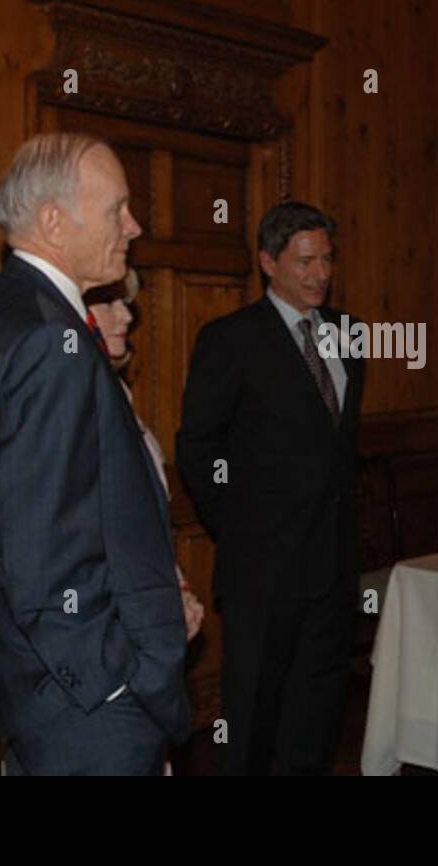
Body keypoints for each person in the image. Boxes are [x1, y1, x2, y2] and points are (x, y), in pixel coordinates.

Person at [0, 132, 189, 775]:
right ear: (55, 222)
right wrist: (118, 680)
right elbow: (47, 553)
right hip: (86, 710)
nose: (134, 225)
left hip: (57, 700)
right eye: (118, 208)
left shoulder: (13, 310)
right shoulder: (44, 337)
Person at [176, 201, 365, 775]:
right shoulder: (230, 339)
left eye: (327, 260)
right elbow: (198, 449)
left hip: (332, 569)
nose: (320, 274)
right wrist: (239, 527)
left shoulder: (349, 334)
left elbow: (336, 448)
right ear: (268, 262)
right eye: (305, 261)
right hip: (263, 573)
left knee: (316, 721)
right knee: (252, 725)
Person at [86, 271, 204, 641]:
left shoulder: (117, 392)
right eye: (110, 303)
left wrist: (178, 589)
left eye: (125, 302)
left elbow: (144, 524)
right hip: (106, 621)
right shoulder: (71, 399)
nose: (127, 316)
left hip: (145, 609)